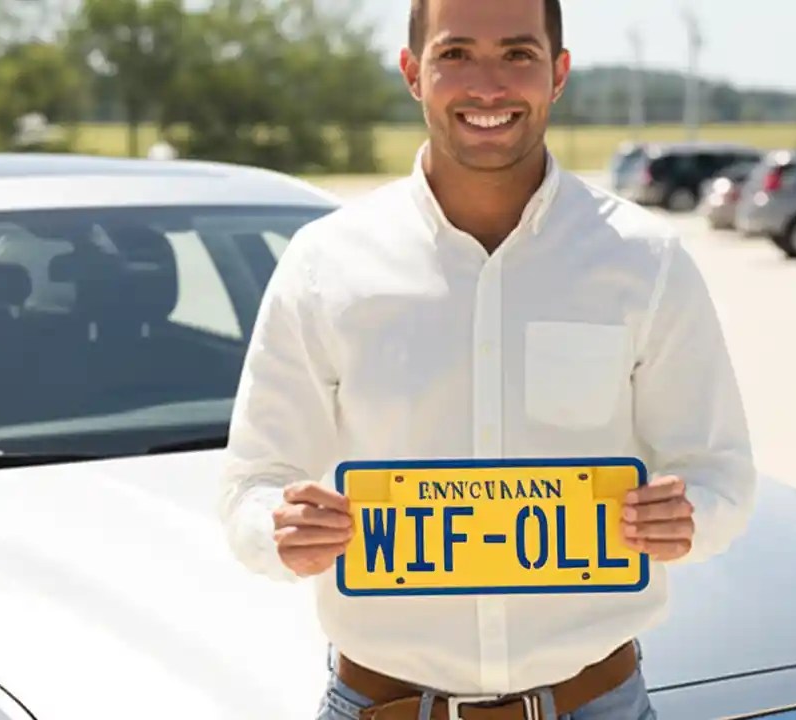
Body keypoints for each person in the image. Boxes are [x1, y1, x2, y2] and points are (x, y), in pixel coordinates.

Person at [217, 0, 758, 717]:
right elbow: (251, 484)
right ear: (413, 72)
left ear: (558, 74)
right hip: (382, 704)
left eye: (517, 55)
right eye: (455, 54)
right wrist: (278, 530)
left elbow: (720, 473)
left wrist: (691, 517)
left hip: (595, 702)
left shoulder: (645, 260)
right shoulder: (326, 264)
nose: (488, 86)